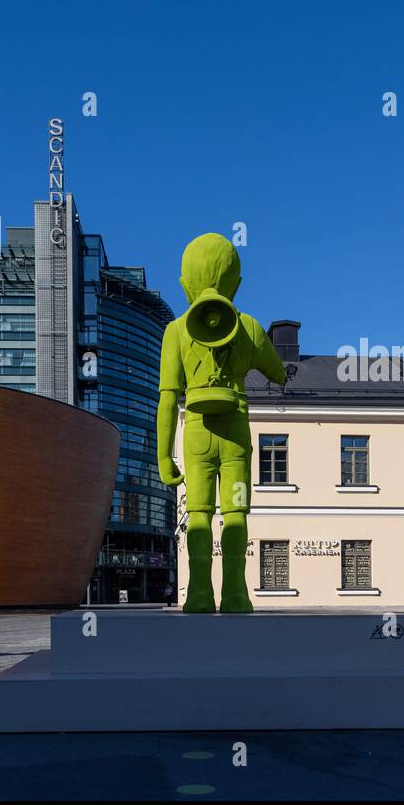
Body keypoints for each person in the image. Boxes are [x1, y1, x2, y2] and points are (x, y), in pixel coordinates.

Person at [156, 233, 287, 612]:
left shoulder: (175, 331)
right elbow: (278, 373)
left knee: (198, 515)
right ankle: (235, 594)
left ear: (185, 284)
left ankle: (198, 594)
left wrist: (164, 456)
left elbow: (167, 398)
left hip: (196, 434)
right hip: (235, 436)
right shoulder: (249, 326)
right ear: (237, 284)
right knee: (235, 514)